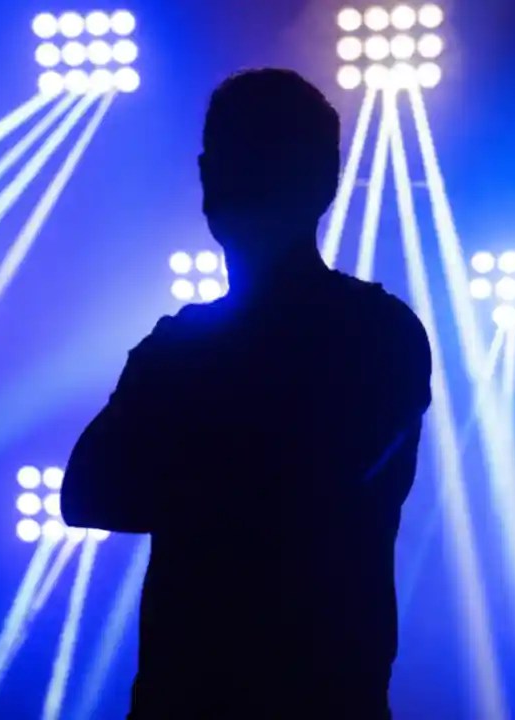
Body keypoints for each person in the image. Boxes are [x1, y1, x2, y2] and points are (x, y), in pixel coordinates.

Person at [62, 69, 432, 719]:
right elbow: (86, 494)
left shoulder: (191, 346)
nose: (231, 179)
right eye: (230, 158)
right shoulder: (377, 331)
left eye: (256, 156)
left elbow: (310, 495)